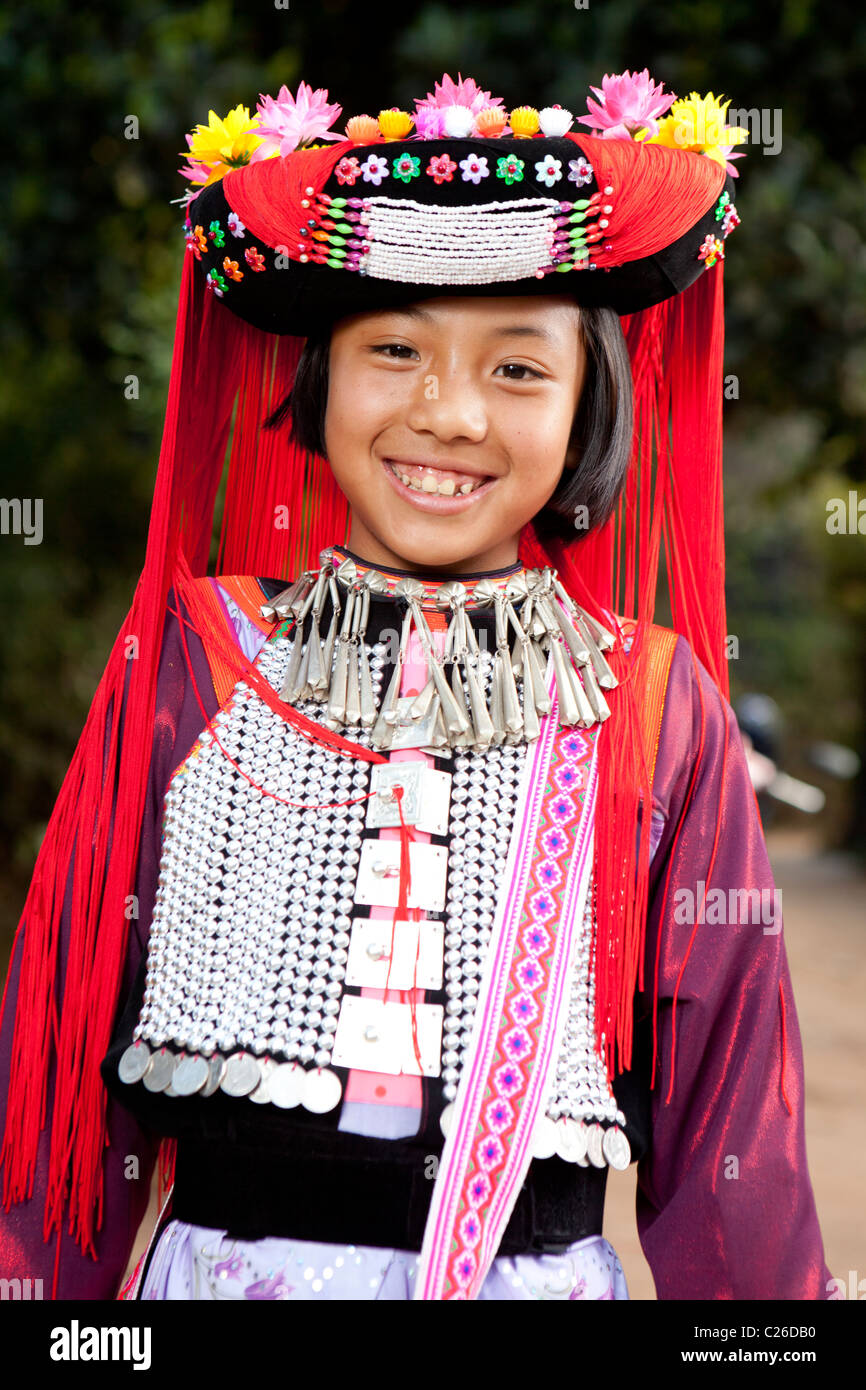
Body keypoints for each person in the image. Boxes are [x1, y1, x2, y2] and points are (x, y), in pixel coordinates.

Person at [0, 71, 832, 1301]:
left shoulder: (652, 707)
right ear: (319, 379)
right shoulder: (192, 659)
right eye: (394, 349)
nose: (446, 414)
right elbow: (63, 1101)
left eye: (517, 370)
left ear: (585, 410)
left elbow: (731, 1133)